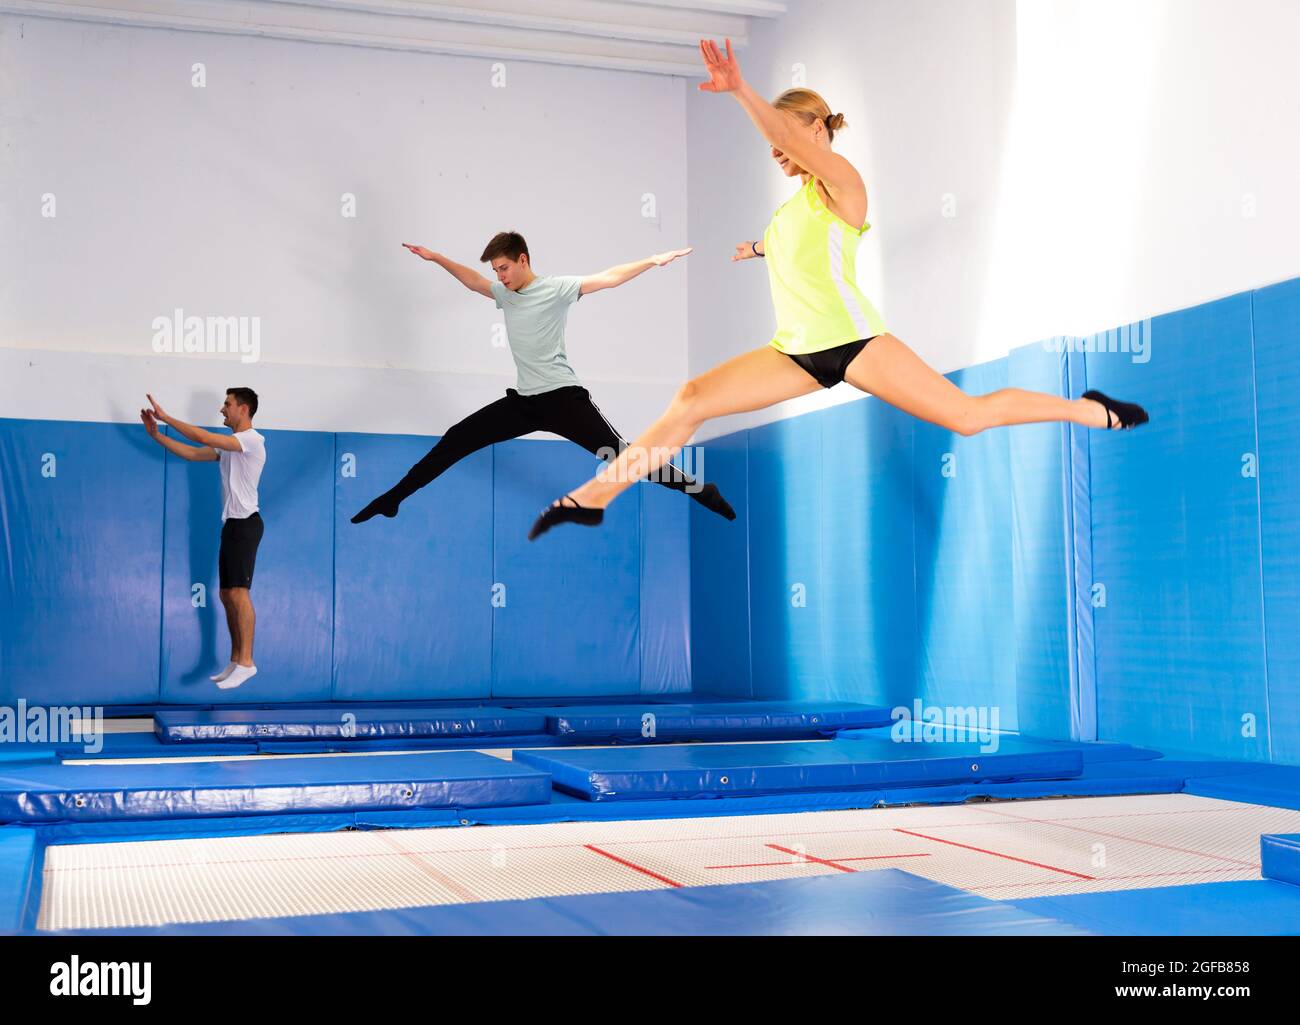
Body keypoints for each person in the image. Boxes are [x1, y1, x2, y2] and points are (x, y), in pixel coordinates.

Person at [528, 38, 1148, 540]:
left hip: (854, 342)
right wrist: (757, 249)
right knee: (690, 398)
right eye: (772, 142)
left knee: (966, 417)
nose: (776, 149)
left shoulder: (843, 184)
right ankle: (593, 498)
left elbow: (799, 153)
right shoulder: (793, 207)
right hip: (794, 351)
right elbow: (794, 246)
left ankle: (1088, 409)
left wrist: (741, 89)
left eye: (784, 137)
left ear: (816, 127)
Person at [350, 233, 735, 524]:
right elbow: (472, 281)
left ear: (522, 260)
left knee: (621, 459)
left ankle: (700, 489)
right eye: (495, 271)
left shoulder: (556, 288)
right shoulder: (506, 294)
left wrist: (652, 259)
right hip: (524, 402)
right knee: (456, 438)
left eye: (504, 268)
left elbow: (609, 278)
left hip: (564, 401)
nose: (499, 277)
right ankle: (394, 498)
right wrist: (436, 258)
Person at [141, 389, 266, 689]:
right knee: (226, 594)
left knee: (239, 594)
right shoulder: (230, 447)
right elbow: (193, 452)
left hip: (246, 524)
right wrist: (157, 435)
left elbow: (203, 439)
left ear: (243, 409)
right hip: (232, 525)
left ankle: (247, 662)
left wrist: (167, 417)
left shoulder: (251, 441)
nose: (222, 409)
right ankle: (236, 660)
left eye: (227, 404)